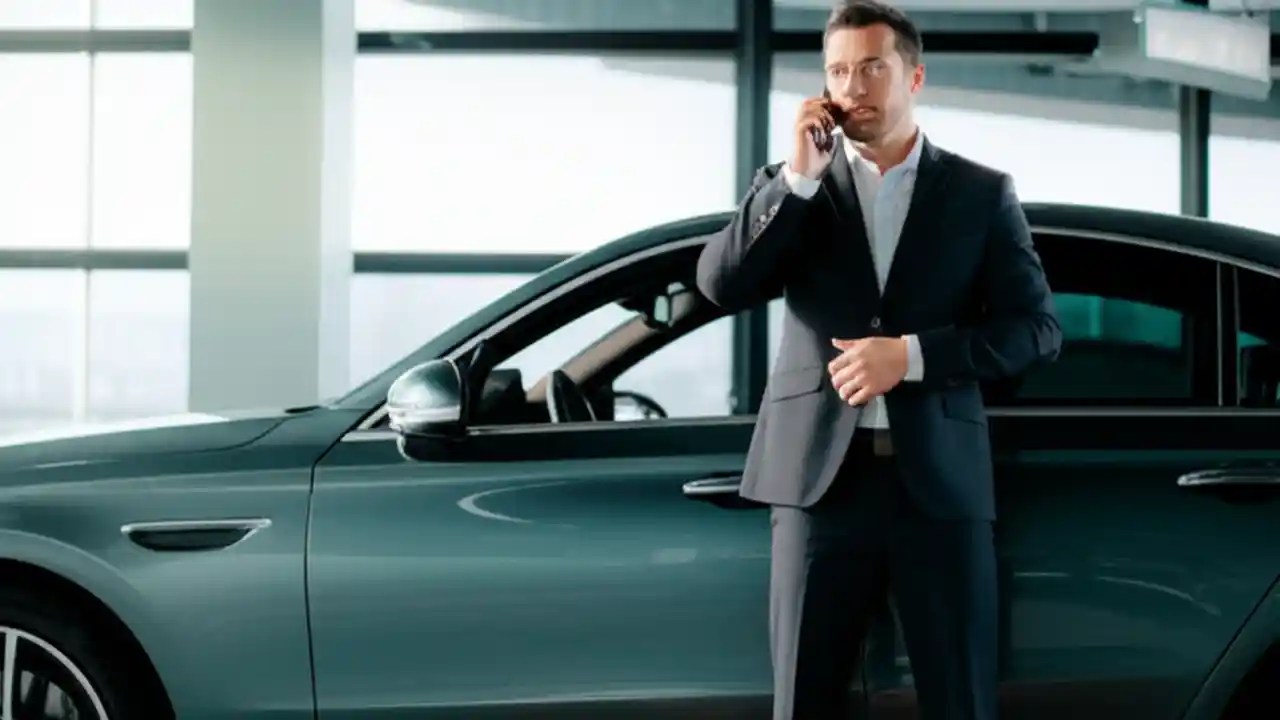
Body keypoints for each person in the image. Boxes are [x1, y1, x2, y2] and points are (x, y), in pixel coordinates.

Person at [695, 1, 1062, 718]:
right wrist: (796, 182)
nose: (852, 86)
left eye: (871, 67)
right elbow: (719, 284)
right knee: (804, 702)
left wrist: (915, 357)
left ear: (914, 76)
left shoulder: (981, 194)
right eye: (837, 70)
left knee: (960, 701)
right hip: (816, 490)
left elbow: (1037, 330)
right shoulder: (791, 186)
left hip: (939, 493)